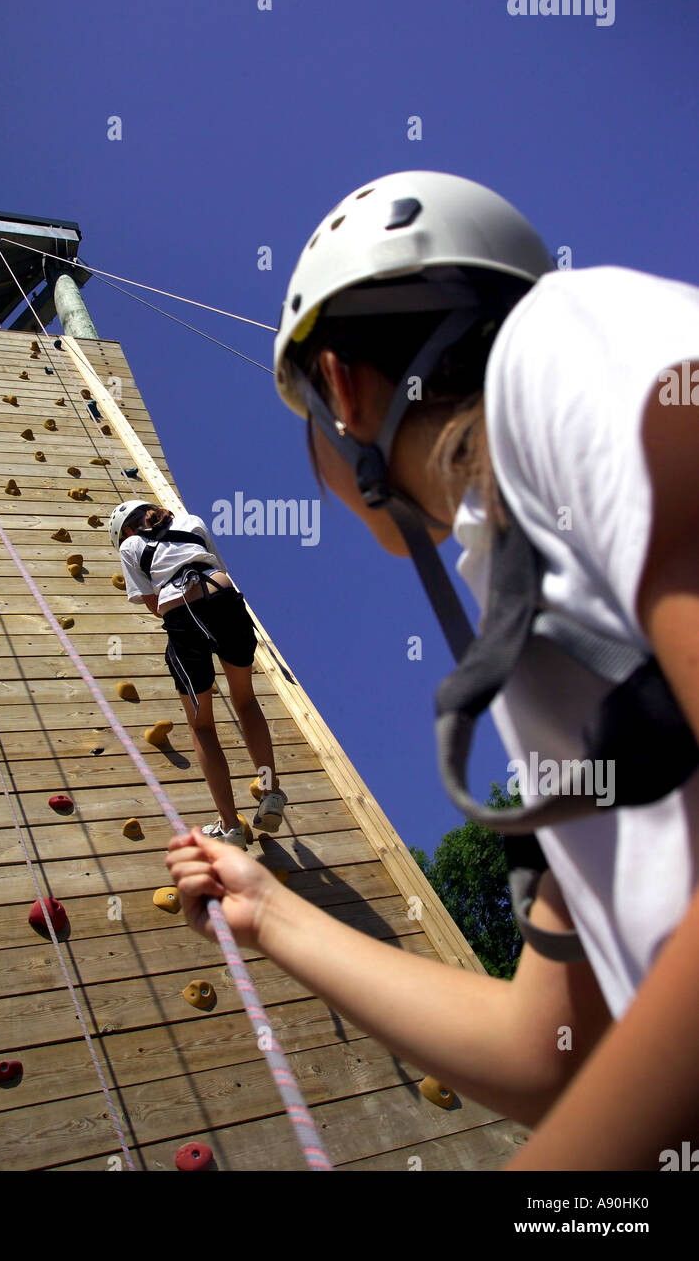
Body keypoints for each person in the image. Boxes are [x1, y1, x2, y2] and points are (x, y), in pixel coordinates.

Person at [165, 170, 699, 1170]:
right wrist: (265, 908)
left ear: (340, 386)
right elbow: (546, 1052)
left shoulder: (561, 346)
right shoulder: (540, 635)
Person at [108, 499, 287, 847]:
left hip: (184, 613)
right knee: (246, 701)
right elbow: (218, 567)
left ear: (126, 531)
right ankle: (271, 793)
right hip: (225, 600)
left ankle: (229, 825)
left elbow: (152, 603)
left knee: (202, 724)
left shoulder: (130, 545)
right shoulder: (192, 521)